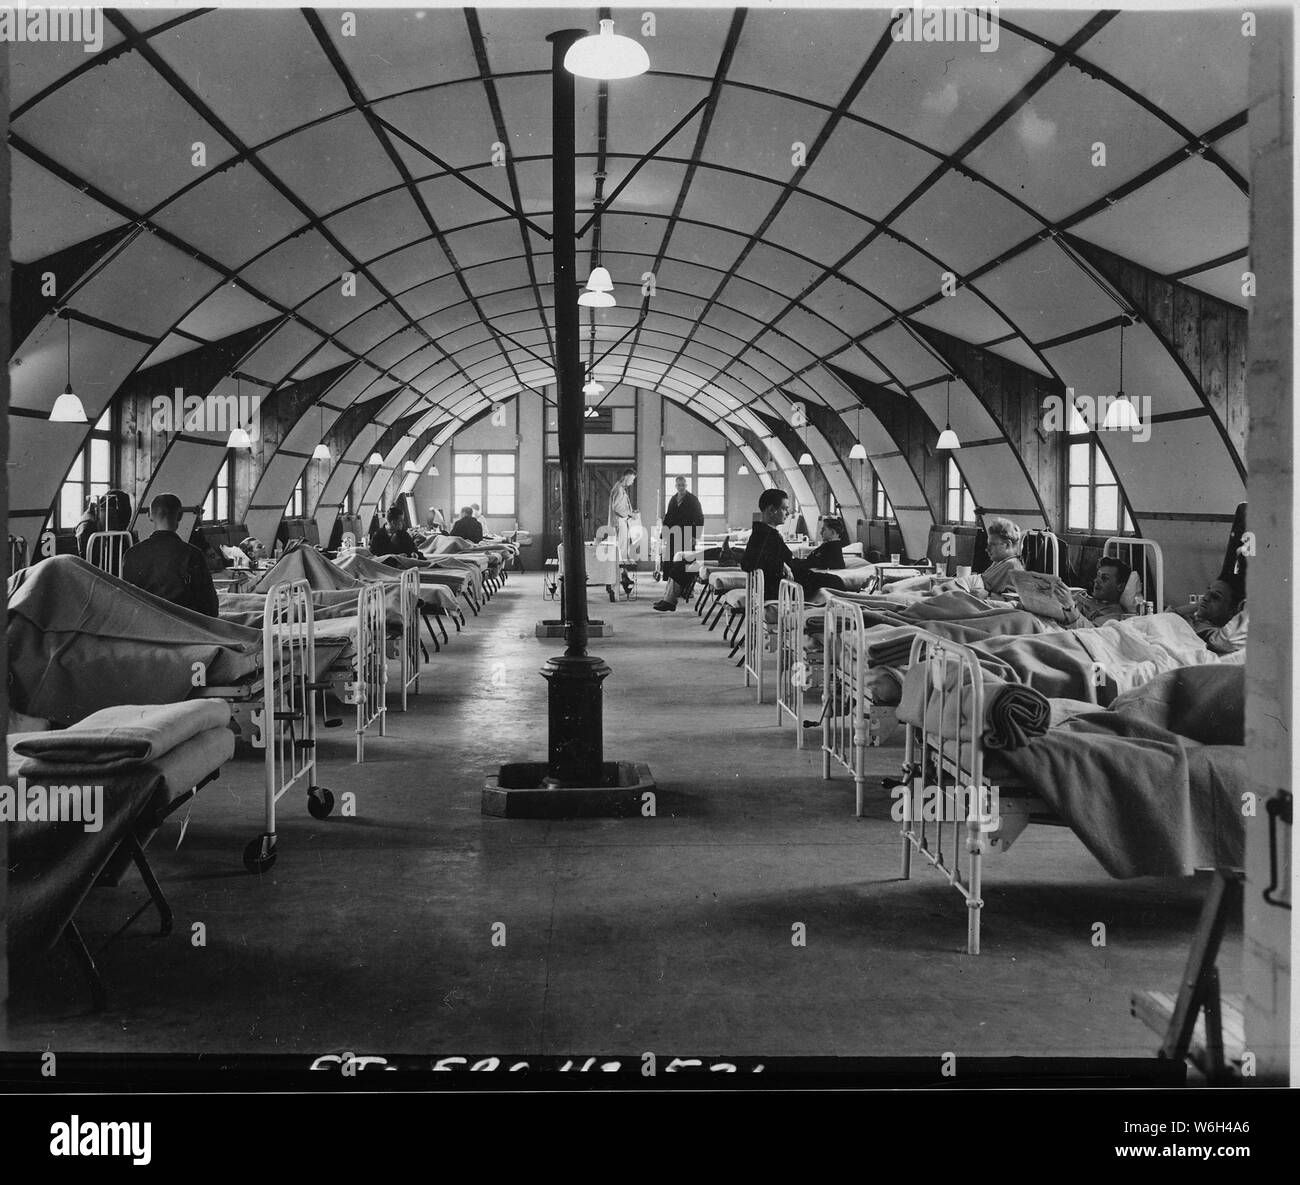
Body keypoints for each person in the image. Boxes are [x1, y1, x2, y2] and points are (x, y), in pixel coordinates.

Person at [121, 493, 219, 617]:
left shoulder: (132, 554)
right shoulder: (193, 554)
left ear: (149, 516)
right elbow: (210, 607)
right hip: (183, 628)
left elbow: (127, 601)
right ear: (180, 516)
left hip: (143, 627)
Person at [652, 477, 706, 611]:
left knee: (687, 564)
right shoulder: (673, 499)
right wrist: (663, 534)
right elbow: (668, 516)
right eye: (679, 485)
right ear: (675, 486)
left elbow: (700, 518)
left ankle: (688, 590)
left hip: (687, 534)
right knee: (672, 563)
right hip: (673, 535)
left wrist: (695, 536)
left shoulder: (693, 499)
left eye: (683, 485)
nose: (681, 487)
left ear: (686, 485)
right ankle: (671, 593)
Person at [740, 488, 795, 596]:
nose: (788, 513)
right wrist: (782, 565)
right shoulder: (765, 535)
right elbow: (747, 563)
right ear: (771, 510)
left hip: (784, 582)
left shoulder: (766, 532)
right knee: (833, 581)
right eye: (784, 508)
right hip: (781, 588)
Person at [1174, 573, 1247, 654]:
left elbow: (1222, 642)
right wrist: (1199, 605)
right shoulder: (1189, 618)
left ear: (1232, 611)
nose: (1205, 597)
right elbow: (1167, 616)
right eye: (1207, 592)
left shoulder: (1209, 632)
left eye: (1215, 597)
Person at [788, 515, 849, 595]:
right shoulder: (828, 546)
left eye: (823, 529)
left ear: (832, 532)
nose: (820, 532)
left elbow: (831, 564)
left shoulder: (833, 547)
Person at [1073, 556, 1131, 624]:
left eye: (1105, 578)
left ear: (1120, 587)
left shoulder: (1113, 617)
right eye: (1097, 576)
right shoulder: (1082, 597)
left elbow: (1087, 631)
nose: (1096, 581)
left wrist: (1070, 608)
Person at [976, 517, 1024, 597]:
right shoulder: (998, 562)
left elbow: (1015, 601)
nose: (987, 549)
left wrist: (988, 595)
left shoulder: (1011, 565)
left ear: (1007, 545)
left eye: (992, 544)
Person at [608, 467, 637, 595]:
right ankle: (618, 580)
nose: (632, 482)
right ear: (627, 477)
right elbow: (618, 508)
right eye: (632, 479)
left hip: (620, 524)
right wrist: (631, 514)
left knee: (621, 554)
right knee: (620, 554)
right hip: (620, 525)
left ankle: (623, 578)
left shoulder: (619, 488)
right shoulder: (619, 489)